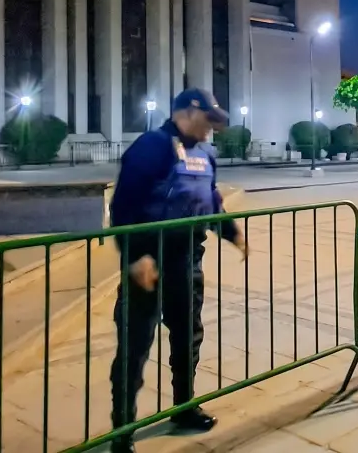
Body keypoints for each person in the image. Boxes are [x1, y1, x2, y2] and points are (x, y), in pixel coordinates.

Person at [107, 88, 247, 453]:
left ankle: (184, 408)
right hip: (148, 264)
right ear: (187, 113)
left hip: (187, 260)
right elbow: (122, 206)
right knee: (135, 345)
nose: (211, 128)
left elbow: (210, 201)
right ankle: (121, 430)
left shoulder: (205, 154)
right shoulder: (152, 146)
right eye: (208, 120)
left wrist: (232, 233)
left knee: (187, 338)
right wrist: (135, 256)